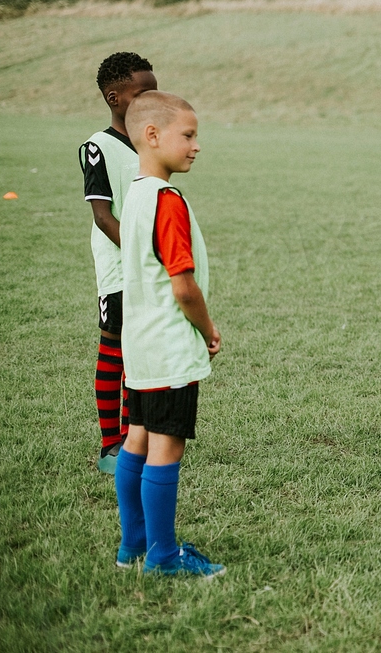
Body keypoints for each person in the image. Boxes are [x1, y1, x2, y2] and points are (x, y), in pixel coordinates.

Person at [114, 90, 224, 577]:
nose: (196, 145)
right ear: (152, 136)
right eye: (188, 135)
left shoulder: (136, 193)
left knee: (137, 436)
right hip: (169, 343)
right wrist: (209, 330)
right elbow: (183, 287)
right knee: (166, 444)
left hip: (138, 345)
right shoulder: (168, 201)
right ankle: (162, 556)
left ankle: (132, 547)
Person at [81, 52, 158, 473]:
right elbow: (102, 214)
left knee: (139, 351)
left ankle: (134, 439)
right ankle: (112, 444)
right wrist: (136, 251)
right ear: (114, 97)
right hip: (120, 268)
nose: (152, 98)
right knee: (115, 349)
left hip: (149, 265)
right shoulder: (98, 147)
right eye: (142, 92)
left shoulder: (150, 140)